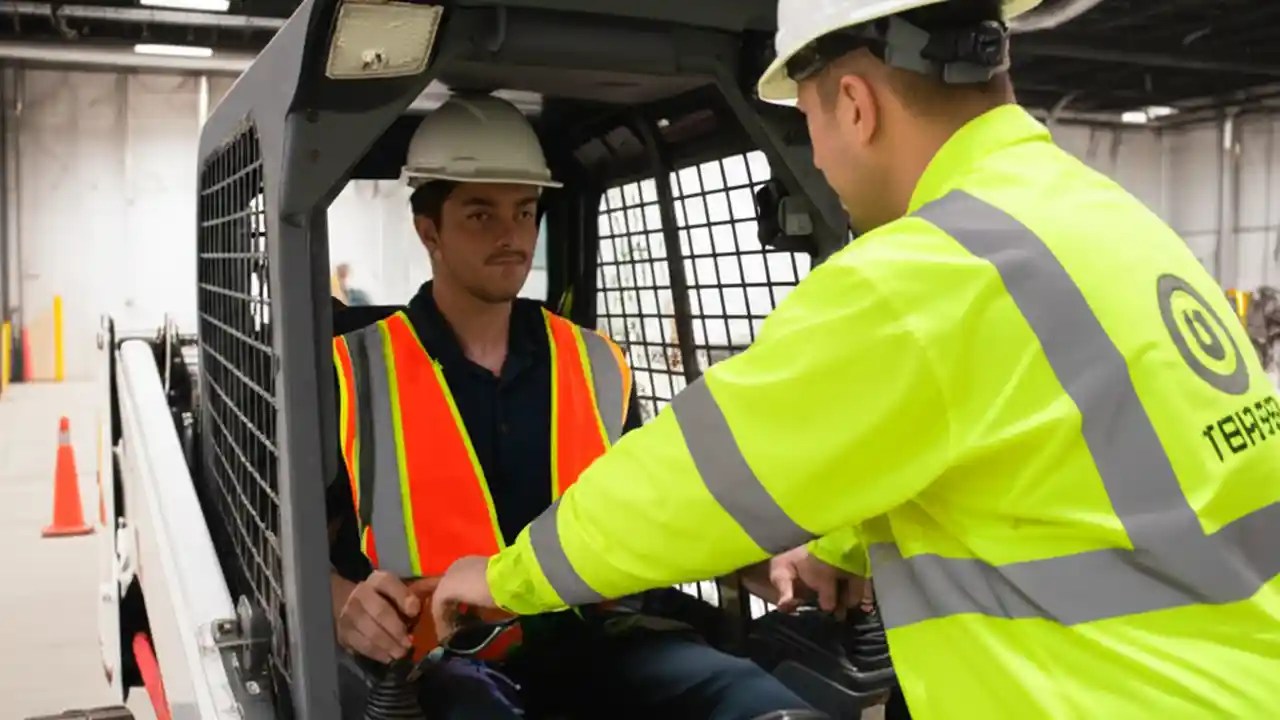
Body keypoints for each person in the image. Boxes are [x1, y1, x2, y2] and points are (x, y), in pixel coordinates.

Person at [429, 2, 1280, 718]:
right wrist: (841, 544)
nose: (822, 160)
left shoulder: (927, 272)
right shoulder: (1101, 221)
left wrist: (506, 578)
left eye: (808, 124)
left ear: (855, 104)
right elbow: (1052, 446)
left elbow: (692, 481)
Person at [326, 93, 813, 720]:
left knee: (759, 704)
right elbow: (294, 553)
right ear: (429, 232)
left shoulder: (598, 363)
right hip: (436, 663)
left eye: (525, 212)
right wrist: (344, 606)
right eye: (481, 215)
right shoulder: (350, 371)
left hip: (604, 641)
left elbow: (660, 511)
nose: (512, 236)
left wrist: (767, 559)